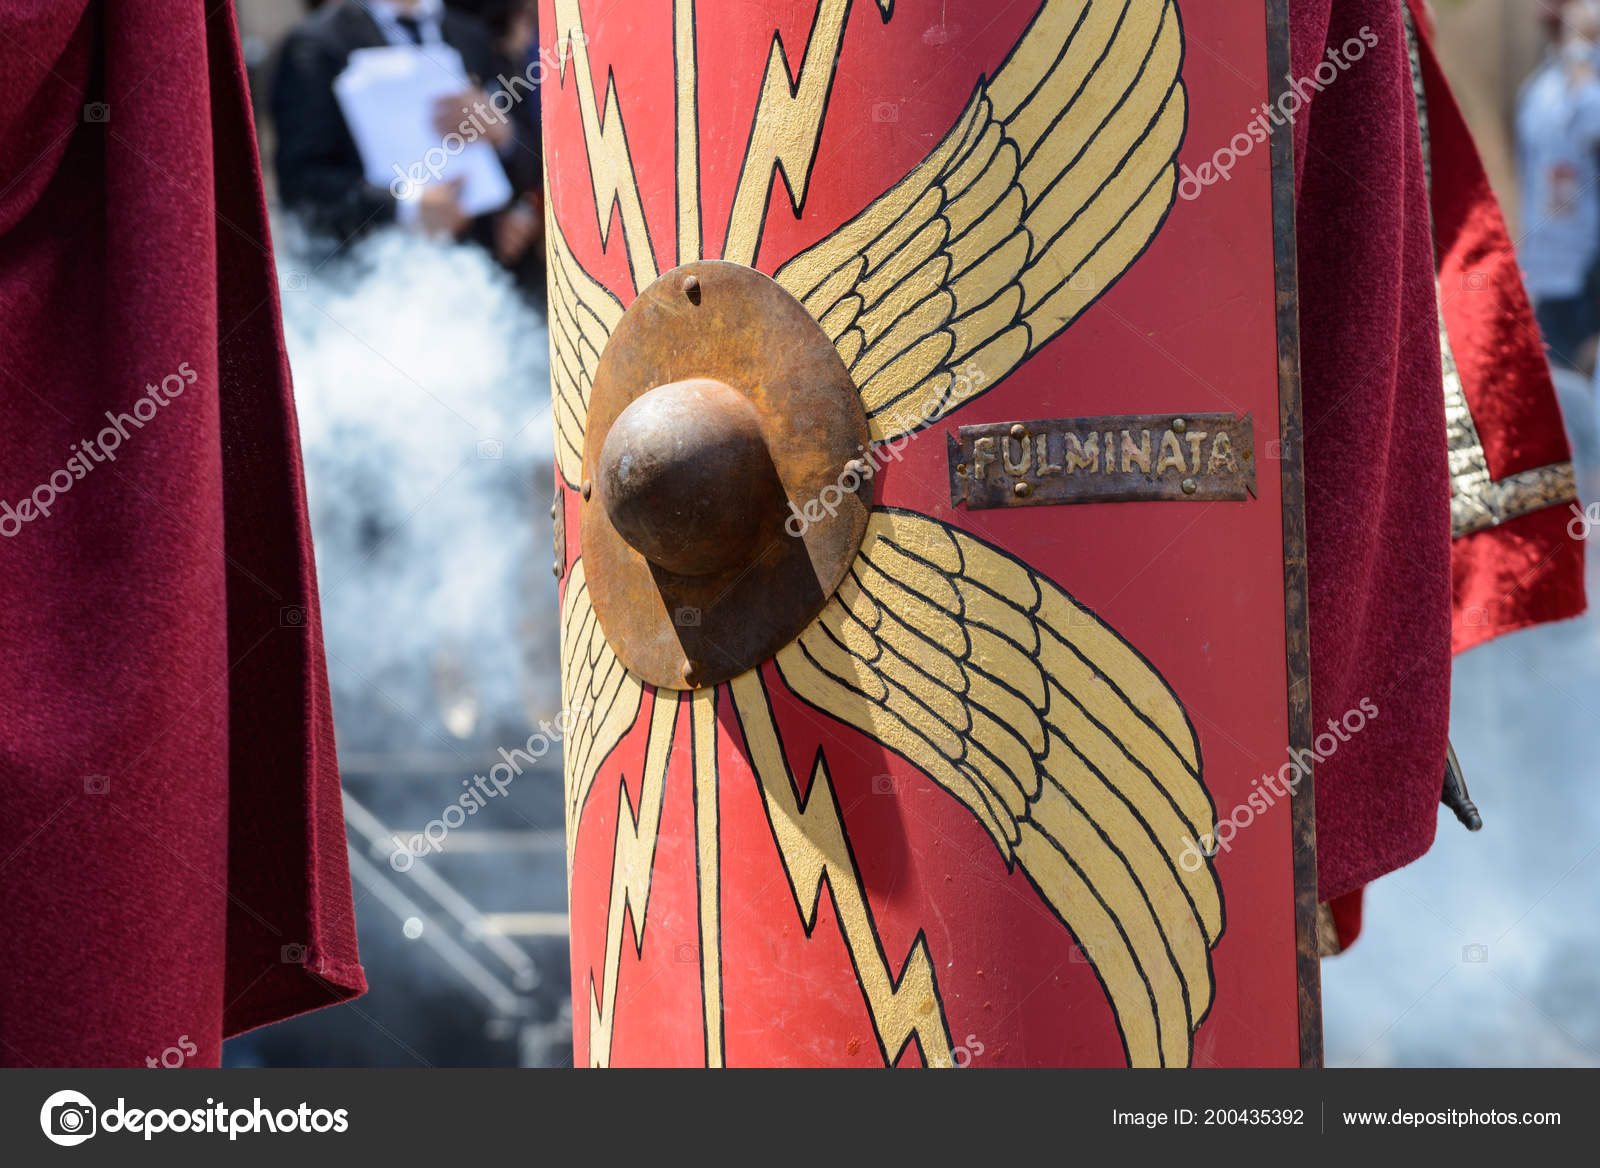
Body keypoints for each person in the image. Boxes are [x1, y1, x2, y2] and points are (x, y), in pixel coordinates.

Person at [270, 0, 542, 257]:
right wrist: (404, 205)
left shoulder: (472, 36)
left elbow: (537, 161)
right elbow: (300, 184)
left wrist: (503, 134)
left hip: (485, 273)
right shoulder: (318, 43)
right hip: (372, 278)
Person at [1515, 0, 1600, 369]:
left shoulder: (1587, 74)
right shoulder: (1541, 85)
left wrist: (1581, 48)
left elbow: (1591, 126)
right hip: (1549, 285)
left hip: (1591, 284)